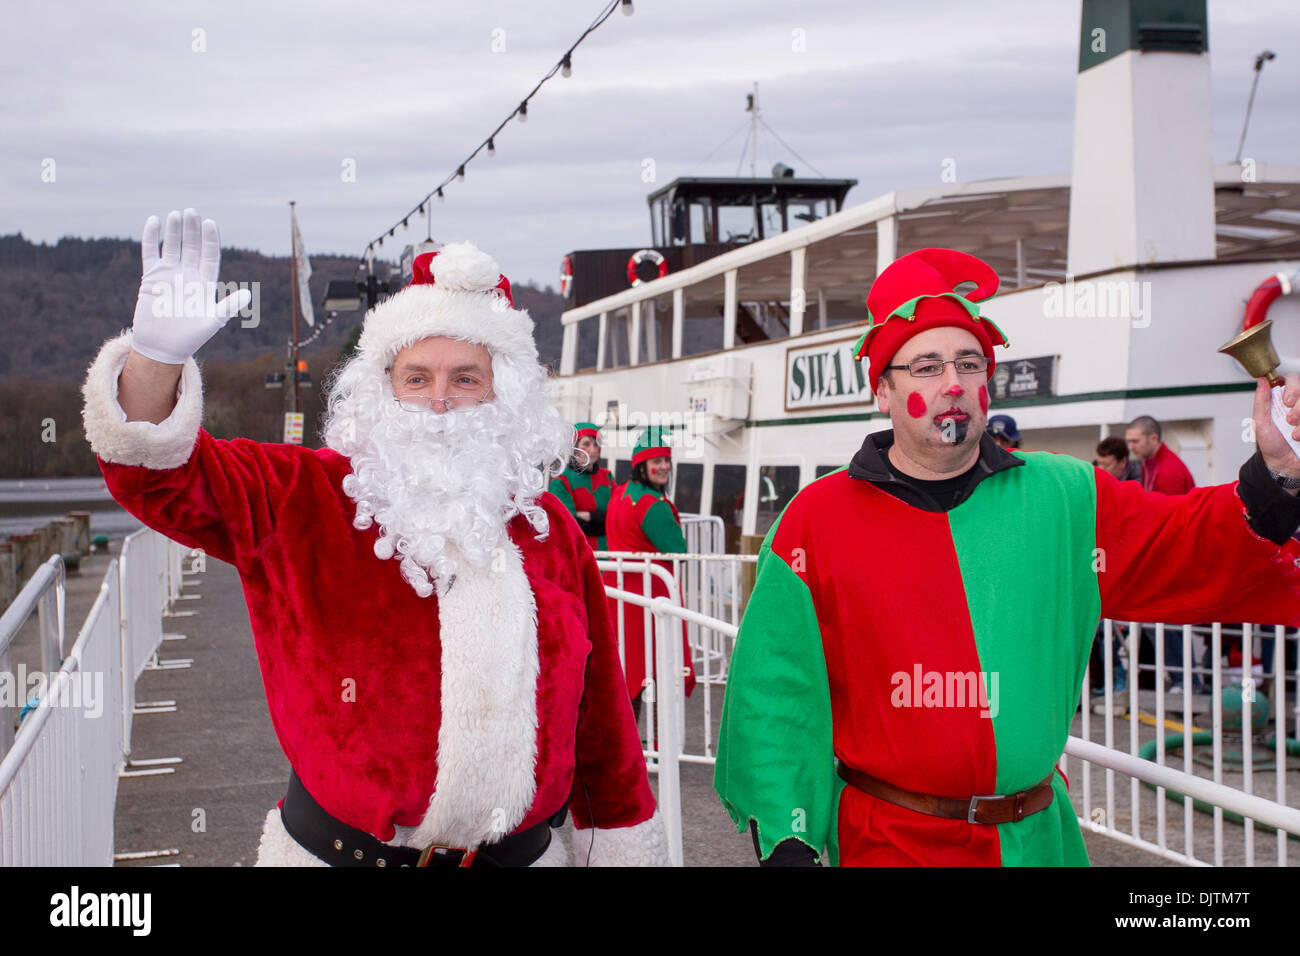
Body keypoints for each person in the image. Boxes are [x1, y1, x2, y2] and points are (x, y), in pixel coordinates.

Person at [81, 208, 669, 867]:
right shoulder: (303, 497)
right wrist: (155, 363)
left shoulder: (550, 529)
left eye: (466, 379)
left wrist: (619, 846)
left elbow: (601, 727)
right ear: (383, 389)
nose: (439, 400)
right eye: (416, 378)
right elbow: (156, 477)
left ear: (505, 396)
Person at [713, 246, 1300, 867]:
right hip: (891, 846)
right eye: (926, 367)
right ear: (881, 390)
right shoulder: (816, 520)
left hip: (1036, 843)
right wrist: (790, 840)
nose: (953, 385)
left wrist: (1277, 476)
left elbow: (1186, 541)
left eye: (970, 363)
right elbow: (775, 695)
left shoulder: (1066, 495)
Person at [603, 426, 697, 718]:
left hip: (623, 599)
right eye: (656, 461)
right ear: (640, 466)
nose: (663, 467)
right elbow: (678, 550)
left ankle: (629, 751)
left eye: (667, 461)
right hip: (650, 604)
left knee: (628, 672)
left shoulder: (620, 493)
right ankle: (659, 748)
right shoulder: (652, 505)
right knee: (657, 674)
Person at [549, 422, 614, 550]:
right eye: (586, 444)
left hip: (609, 556)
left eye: (596, 444)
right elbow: (571, 524)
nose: (593, 450)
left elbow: (618, 517)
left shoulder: (608, 478)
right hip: (579, 554)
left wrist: (591, 516)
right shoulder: (561, 481)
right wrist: (604, 521)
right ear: (575, 448)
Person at [1126, 415, 1195, 495]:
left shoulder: (1167, 472)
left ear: (1154, 438)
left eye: (1135, 441)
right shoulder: (1148, 461)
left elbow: (1171, 507)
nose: (1130, 447)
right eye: (1129, 441)